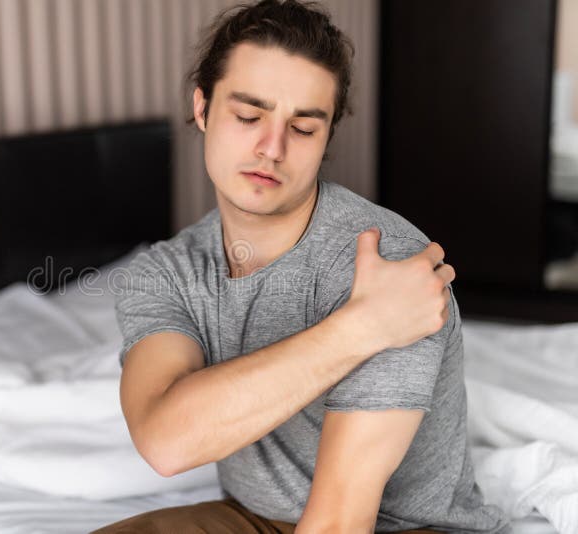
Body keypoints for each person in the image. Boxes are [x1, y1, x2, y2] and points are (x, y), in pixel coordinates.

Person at [94, 1, 510, 532]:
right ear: (202, 109)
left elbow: (339, 520)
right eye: (249, 116)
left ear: (327, 138)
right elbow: (164, 440)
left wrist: (373, 310)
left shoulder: (391, 269)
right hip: (252, 517)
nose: (272, 148)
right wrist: (360, 328)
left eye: (304, 128)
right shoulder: (165, 272)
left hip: (403, 527)